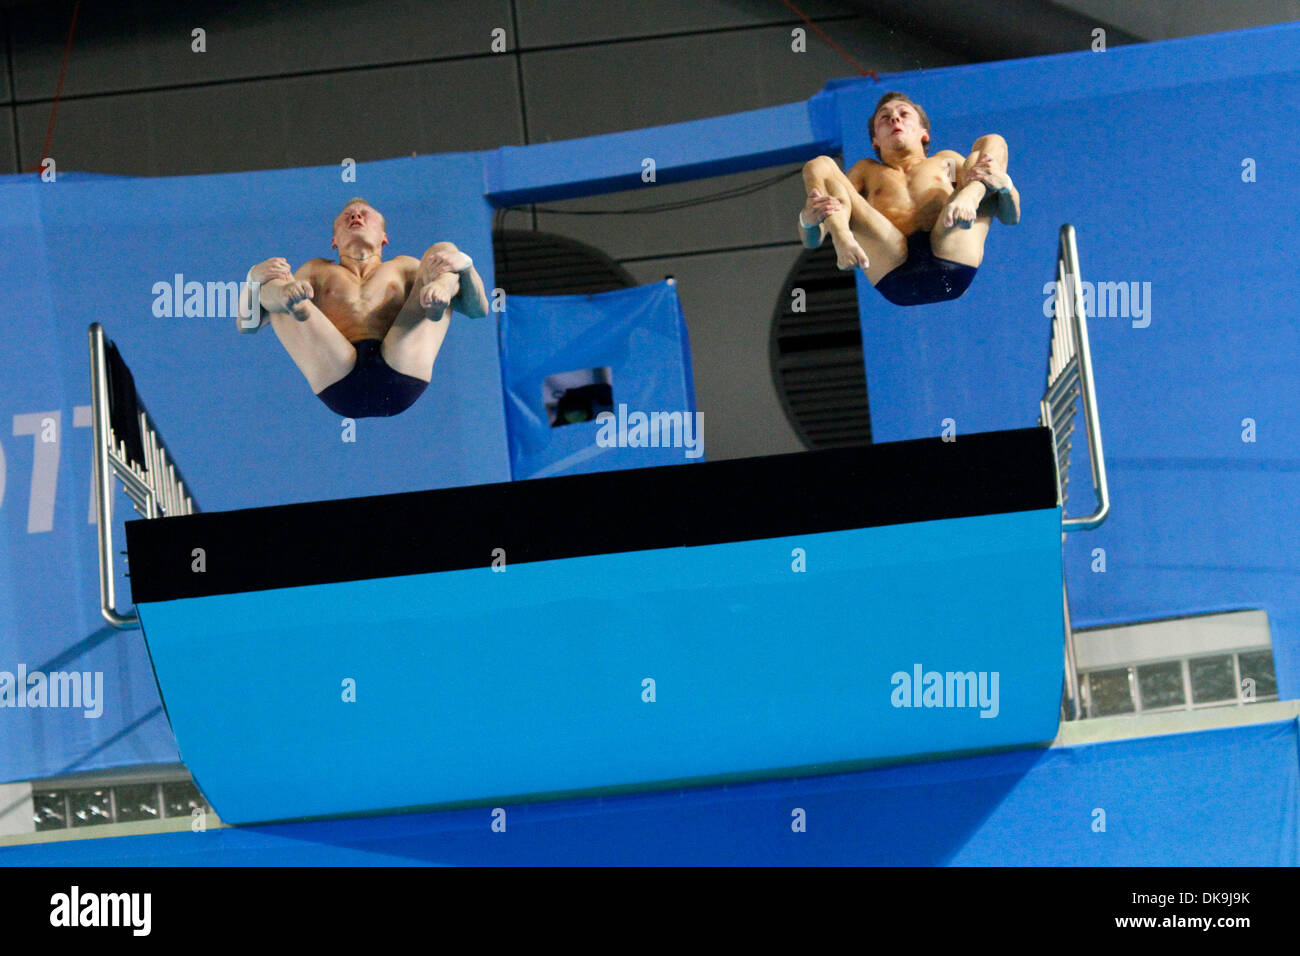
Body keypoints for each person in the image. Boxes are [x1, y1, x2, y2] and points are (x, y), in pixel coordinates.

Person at [237, 198, 489, 417]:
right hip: (337, 378)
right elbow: (246, 325)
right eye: (347, 216)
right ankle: (286, 298)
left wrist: (464, 269)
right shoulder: (317, 271)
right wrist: (253, 280)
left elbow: (478, 310)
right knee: (274, 273)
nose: (356, 216)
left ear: (384, 237)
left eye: (364, 214)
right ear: (334, 241)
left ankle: (446, 284)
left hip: (402, 371)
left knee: (441, 251)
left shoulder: (405, 268)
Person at [798, 92, 1020, 307]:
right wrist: (808, 221)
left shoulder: (945, 164)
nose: (894, 118)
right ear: (875, 141)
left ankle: (974, 194)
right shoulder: (867, 171)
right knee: (820, 165)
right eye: (884, 117)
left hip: (952, 251)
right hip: (892, 267)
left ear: (924, 133)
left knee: (990, 145)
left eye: (904, 114)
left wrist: (1002, 187)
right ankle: (842, 239)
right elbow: (812, 240)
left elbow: (1011, 217)